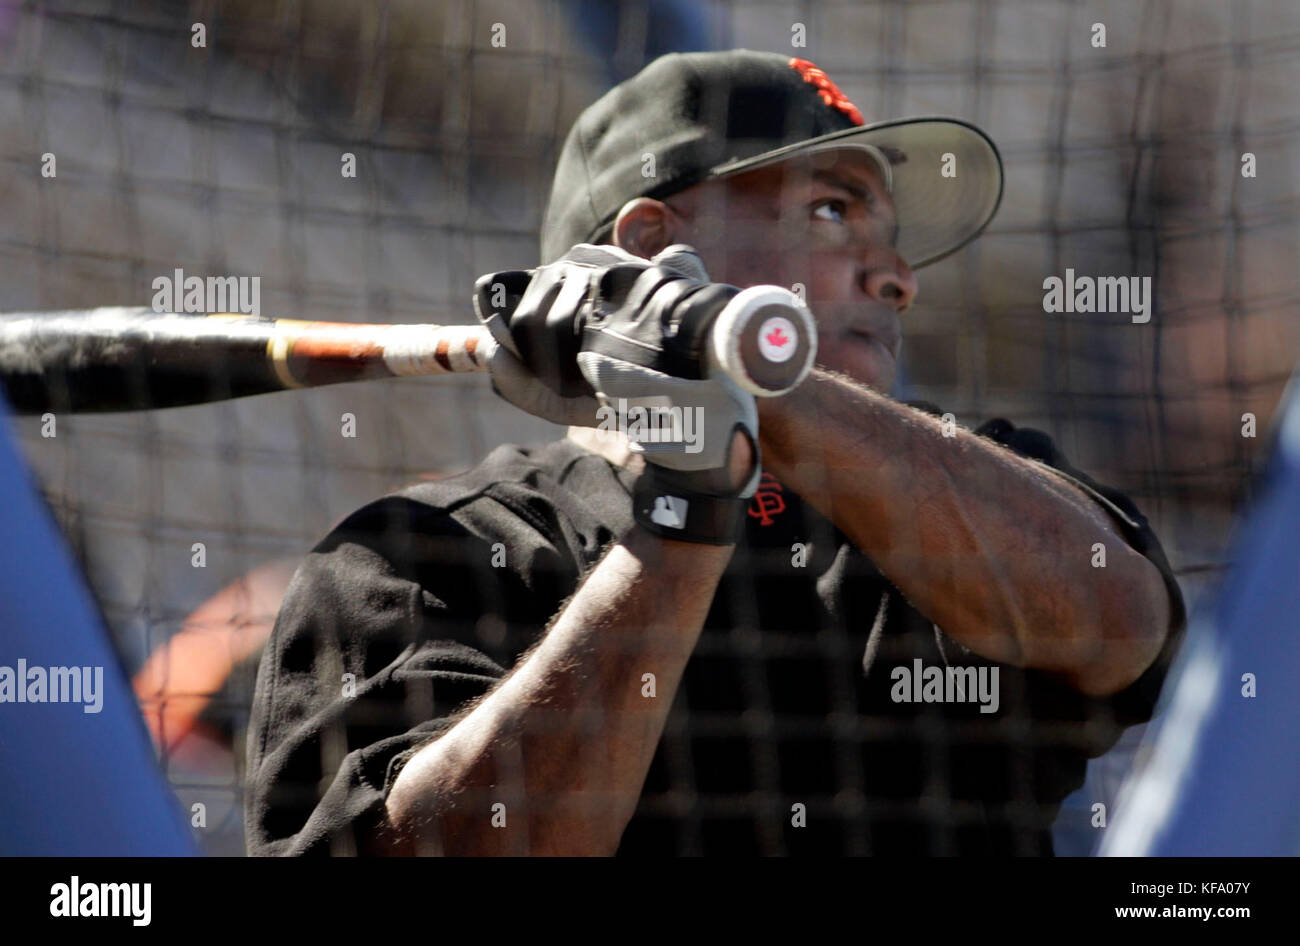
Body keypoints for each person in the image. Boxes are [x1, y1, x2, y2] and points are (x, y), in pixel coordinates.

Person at [244, 50, 1186, 856]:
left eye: (891, 241)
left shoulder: (976, 478)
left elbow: (1120, 623)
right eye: (831, 211)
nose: (896, 277)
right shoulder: (423, 551)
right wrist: (690, 502)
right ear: (653, 243)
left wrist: (741, 375)